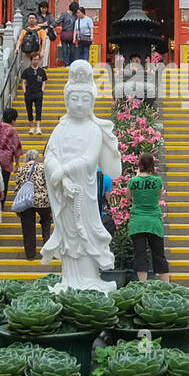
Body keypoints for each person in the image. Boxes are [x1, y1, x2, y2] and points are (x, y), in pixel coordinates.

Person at [42, 60, 123, 289]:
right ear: (67, 100)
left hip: (84, 193)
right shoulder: (61, 128)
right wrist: (61, 177)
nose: (79, 104)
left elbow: (89, 160)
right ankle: (70, 280)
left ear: (92, 102)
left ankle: (89, 279)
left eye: (84, 99)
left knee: (85, 231)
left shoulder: (93, 129)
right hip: (64, 192)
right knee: (69, 236)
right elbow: (50, 156)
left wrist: (63, 170)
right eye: (74, 99)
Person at [128, 153, 168, 282]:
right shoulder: (158, 181)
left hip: (137, 221)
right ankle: (165, 284)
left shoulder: (133, 182)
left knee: (140, 255)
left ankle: (143, 285)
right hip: (154, 221)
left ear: (140, 164)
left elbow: (128, 197)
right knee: (159, 255)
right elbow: (159, 196)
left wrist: (137, 176)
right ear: (152, 165)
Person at [10, 150, 52, 261]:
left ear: (26, 158)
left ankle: (30, 254)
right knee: (46, 221)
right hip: (42, 200)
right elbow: (48, 184)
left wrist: (17, 207)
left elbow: (17, 188)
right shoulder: (43, 168)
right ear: (37, 157)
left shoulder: (21, 170)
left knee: (28, 227)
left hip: (26, 201)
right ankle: (46, 245)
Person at [19, 54, 48, 134]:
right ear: (31, 60)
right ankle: (31, 126)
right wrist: (24, 92)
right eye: (34, 59)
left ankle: (38, 127)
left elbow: (43, 82)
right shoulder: (27, 71)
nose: (36, 61)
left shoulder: (41, 71)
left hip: (38, 93)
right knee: (29, 110)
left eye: (37, 59)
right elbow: (24, 82)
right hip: (29, 93)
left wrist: (42, 91)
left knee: (39, 109)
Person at [54, 1, 78, 66]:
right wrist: (52, 25)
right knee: (65, 50)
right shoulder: (64, 14)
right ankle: (67, 64)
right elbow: (58, 21)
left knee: (72, 51)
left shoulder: (75, 16)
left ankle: (71, 64)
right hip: (65, 35)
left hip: (72, 35)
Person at [35, 1, 56, 67]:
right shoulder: (37, 15)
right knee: (38, 49)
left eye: (45, 8)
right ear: (40, 8)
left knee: (46, 49)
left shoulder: (50, 15)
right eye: (42, 8)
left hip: (47, 34)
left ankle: (45, 64)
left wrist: (48, 28)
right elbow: (34, 24)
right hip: (38, 34)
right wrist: (42, 25)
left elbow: (53, 23)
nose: (44, 9)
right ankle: (38, 64)